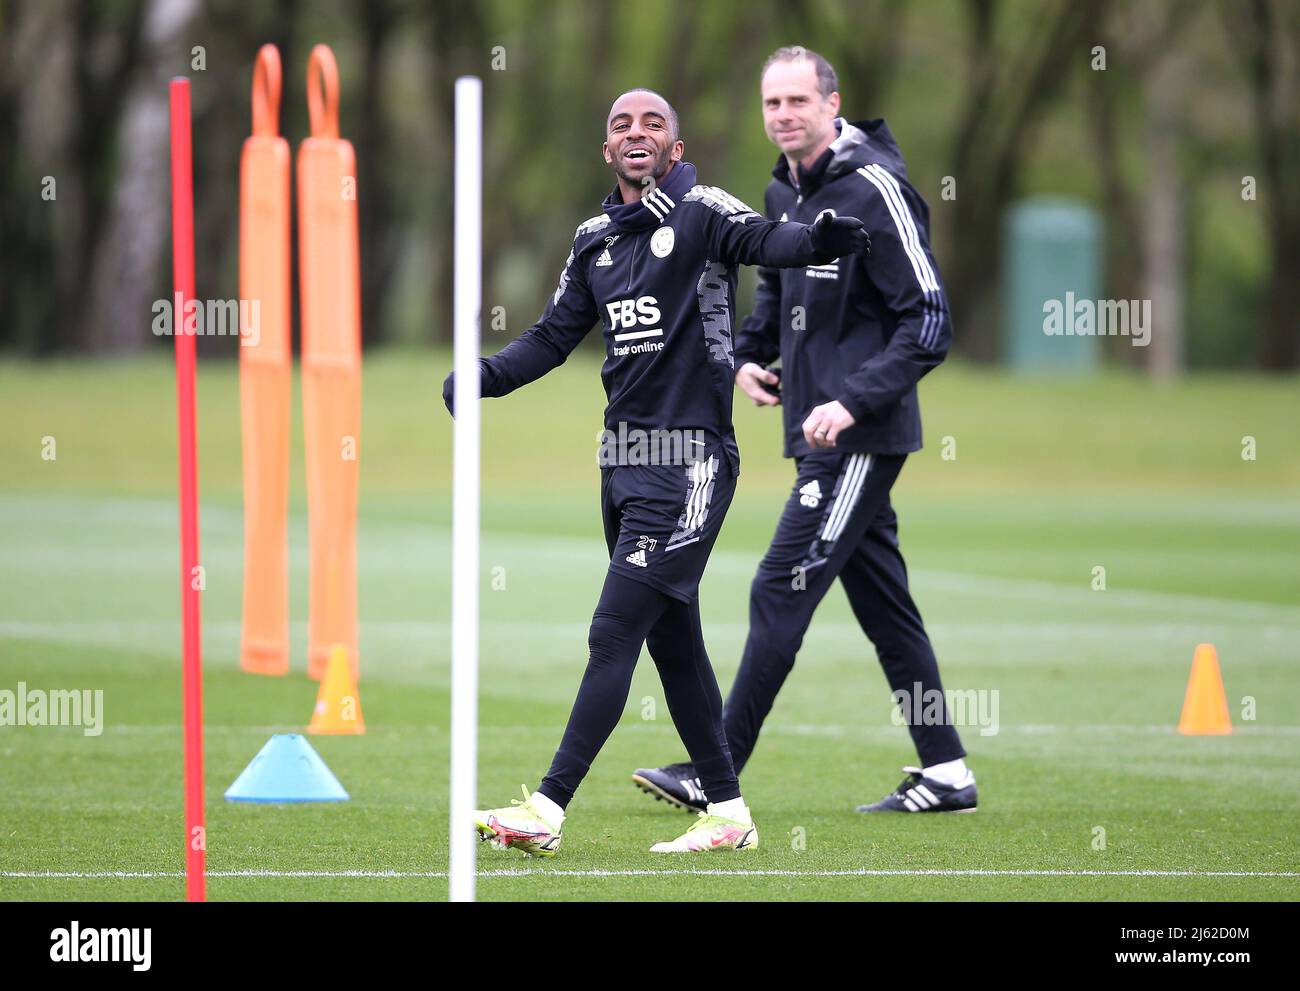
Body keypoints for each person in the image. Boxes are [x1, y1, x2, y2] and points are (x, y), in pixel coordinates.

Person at [442, 88, 871, 856]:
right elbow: (551, 336)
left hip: (691, 462)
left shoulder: (701, 211)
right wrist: (483, 378)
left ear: (673, 147)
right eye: (620, 125)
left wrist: (818, 242)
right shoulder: (594, 239)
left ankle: (546, 807)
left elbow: (767, 239)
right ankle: (729, 812)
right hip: (622, 465)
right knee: (672, 640)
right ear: (608, 149)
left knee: (612, 633)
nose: (635, 133)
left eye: (652, 125)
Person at [632, 48, 977, 815]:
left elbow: (930, 322)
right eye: (771, 103)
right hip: (812, 434)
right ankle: (947, 770)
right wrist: (750, 359)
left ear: (832, 102)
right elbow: (773, 307)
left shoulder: (878, 190)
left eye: (797, 100)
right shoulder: (782, 195)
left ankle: (713, 770)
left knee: (777, 584)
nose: (783, 114)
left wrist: (851, 401)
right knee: (886, 606)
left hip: (858, 438)